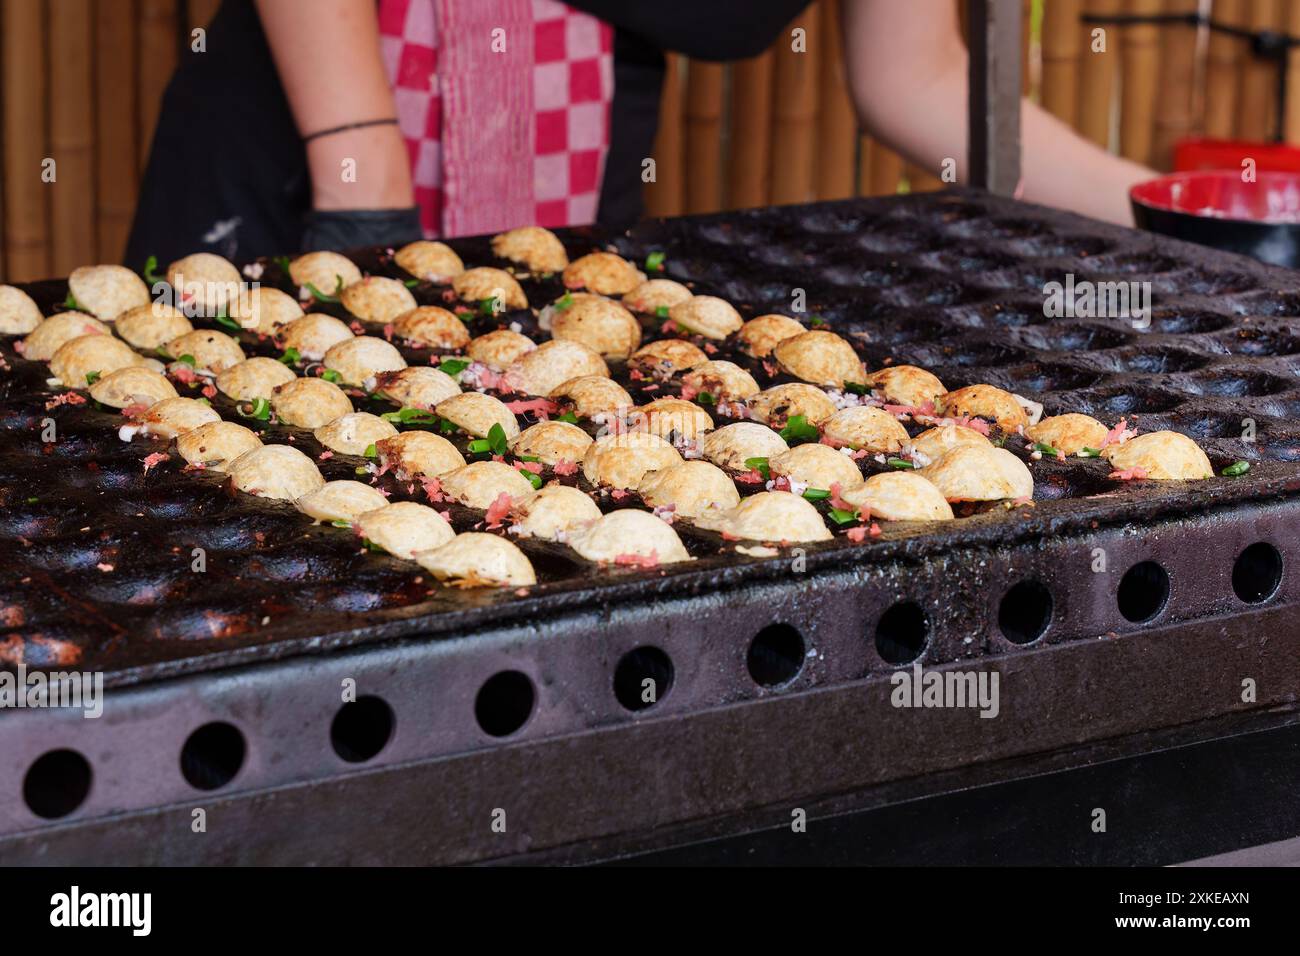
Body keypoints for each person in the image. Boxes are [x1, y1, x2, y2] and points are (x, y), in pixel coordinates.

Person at [125, 0, 1153, 268]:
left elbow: (919, 77)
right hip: (309, 160)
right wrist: (364, 198)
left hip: (567, 202)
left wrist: (1170, 207)